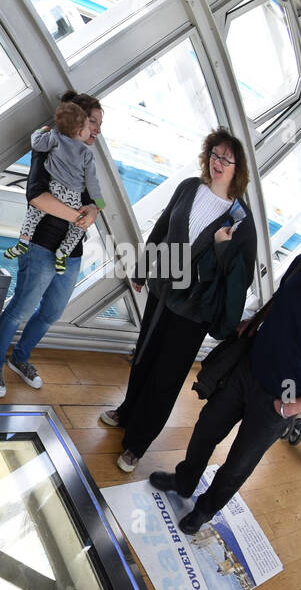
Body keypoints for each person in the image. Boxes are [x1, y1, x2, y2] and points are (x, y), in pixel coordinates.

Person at [149, 236, 301, 533]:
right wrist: (254, 320)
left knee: (239, 463)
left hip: (284, 396)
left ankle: (204, 510)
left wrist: (291, 408)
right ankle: (184, 481)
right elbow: (280, 298)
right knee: (206, 426)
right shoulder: (300, 268)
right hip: (249, 368)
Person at [104, 128, 256, 473]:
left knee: (167, 376)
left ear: (238, 168)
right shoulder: (189, 187)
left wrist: (220, 247)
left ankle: (138, 443)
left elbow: (240, 278)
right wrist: (142, 268)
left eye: (226, 159)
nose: (218, 163)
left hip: (194, 311)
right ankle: (128, 410)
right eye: (215, 155)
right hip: (162, 292)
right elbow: (161, 227)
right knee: (143, 357)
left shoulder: (240, 220)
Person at [0, 91, 104, 397]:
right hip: (40, 246)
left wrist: (93, 210)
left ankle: (19, 359)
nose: (98, 130)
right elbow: (36, 196)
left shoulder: (86, 155)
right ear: (77, 121)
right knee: (20, 309)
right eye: (93, 122)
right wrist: (78, 215)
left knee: (51, 312)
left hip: (70, 251)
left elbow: (93, 196)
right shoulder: (48, 146)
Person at [3, 101, 104, 272]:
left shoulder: (54, 138)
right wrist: (99, 203)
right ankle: (63, 252)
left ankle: (23, 242)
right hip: (72, 195)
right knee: (79, 227)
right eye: (91, 123)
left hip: (54, 188)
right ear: (80, 129)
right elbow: (92, 182)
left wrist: (41, 131)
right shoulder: (86, 154)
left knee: (32, 215)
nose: (97, 130)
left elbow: (37, 143)